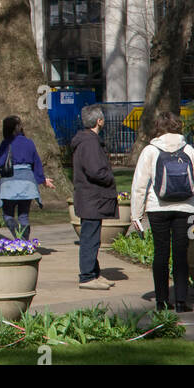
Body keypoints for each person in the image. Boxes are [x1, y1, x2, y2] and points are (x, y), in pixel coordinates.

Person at [131, 111, 194, 312]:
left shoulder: (150, 150)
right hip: (186, 207)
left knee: (161, 253)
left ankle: (162, 300)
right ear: (177, 126)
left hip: (158, 207)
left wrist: (136, 215)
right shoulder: (189, 149)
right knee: (182, 254)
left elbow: (139, 185)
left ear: (158, 127)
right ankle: (182, 301)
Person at [71, 104, 117, 291]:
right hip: (92, 197)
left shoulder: (87, 140)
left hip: (90, 197)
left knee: (92, 237)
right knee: (90, 238)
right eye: (103, 118)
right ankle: (87, 276)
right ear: (99, 121)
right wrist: (109, 177)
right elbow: (95, 171)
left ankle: (94, 273)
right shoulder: (90, 142)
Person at [0, 115, 53, 239]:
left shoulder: (6, 143)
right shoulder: (29, 142)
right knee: (23, 216)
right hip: (28, 183)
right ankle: (24, 241)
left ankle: (20, 239)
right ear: (19, 128)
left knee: (8, 215)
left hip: (10, 184)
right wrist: (42, 180)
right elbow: (37, 163)